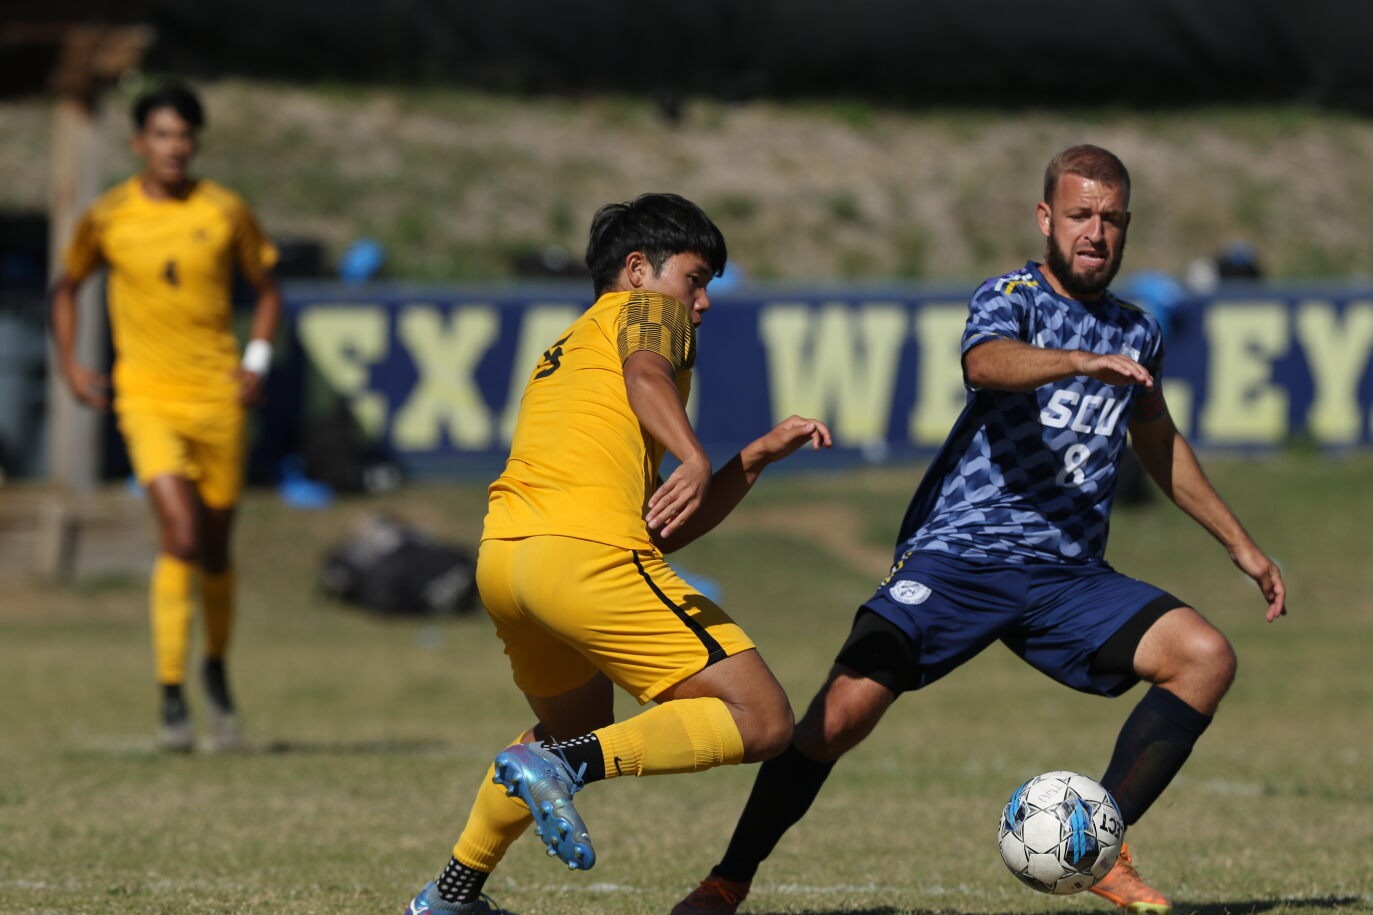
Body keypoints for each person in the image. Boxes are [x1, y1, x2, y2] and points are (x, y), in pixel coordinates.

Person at [671, 145, 1287, 915]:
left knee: (1204, 656)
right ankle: (727, 878)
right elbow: (985, 362)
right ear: (1045, 219)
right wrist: (1073, 361)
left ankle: (1099, 848)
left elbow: (1158, 443)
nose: (1094, 232)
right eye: (1078, 216)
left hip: (1066, 577)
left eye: (1110, 218)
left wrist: (1240, 544)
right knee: (836, 717)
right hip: (961, 554)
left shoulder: (1137, 332)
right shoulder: (1012, 295)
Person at [403, 193, 833, 915]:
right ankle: (559, 767)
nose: (700, 303)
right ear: (637, 269)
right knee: (762, 720)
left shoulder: (569, 347)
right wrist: (693, 453)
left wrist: (750, 458)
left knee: (574, 726)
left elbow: (659, 528)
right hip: (582, 557)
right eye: (695, 279)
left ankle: (450, 894)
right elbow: (648, 376)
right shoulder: (646, 315)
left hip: (507, 561)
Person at [50, 83, 281, 753]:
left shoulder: (224, 210)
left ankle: (214, 668)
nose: (173, 147)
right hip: (145, 397)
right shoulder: (109, 215)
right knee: (178, 532)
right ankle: (172, 691)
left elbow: (267, 291)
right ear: (138, 143)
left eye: (184, 136)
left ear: (194, 144)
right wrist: (70, 363)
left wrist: (257, 361)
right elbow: (66, 286)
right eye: (161, 135)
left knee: (213, 545)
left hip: (217, 399)